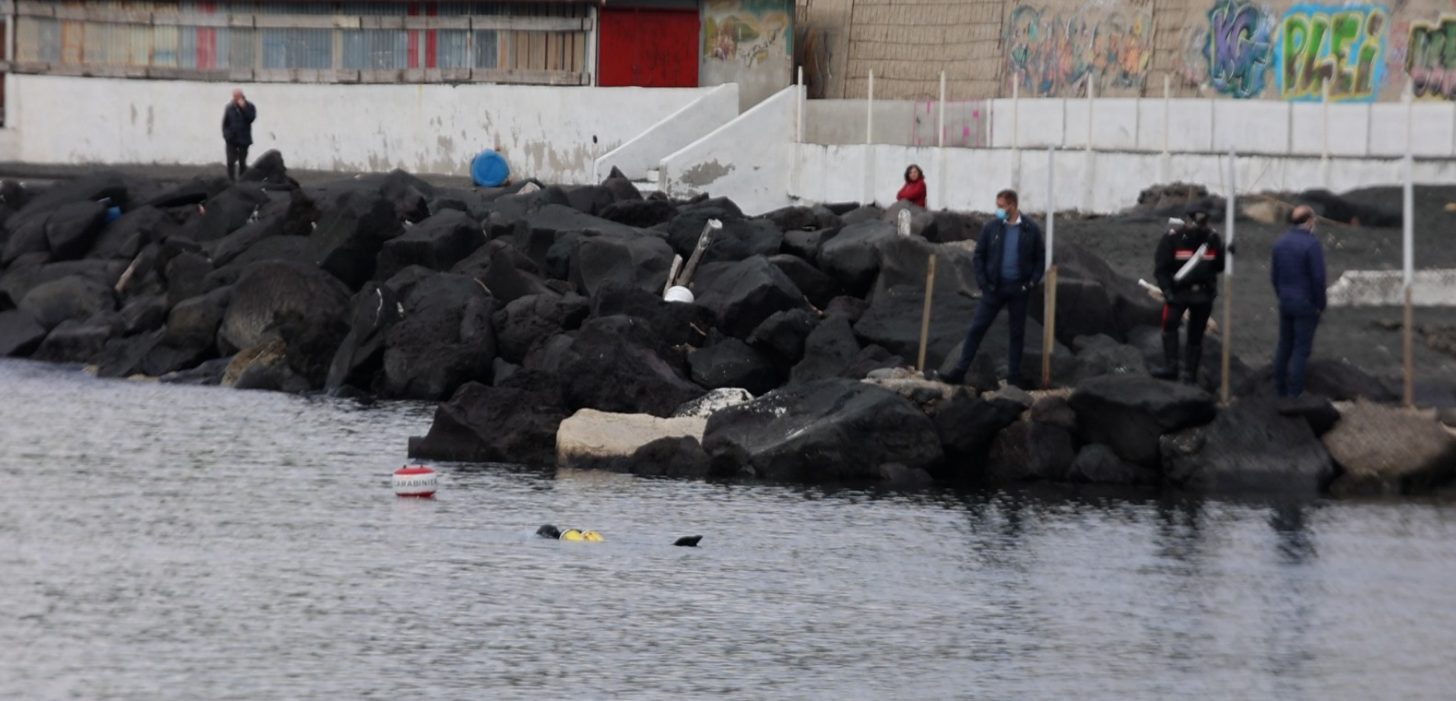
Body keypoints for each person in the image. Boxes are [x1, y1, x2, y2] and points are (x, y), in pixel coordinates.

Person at [932, 189, 1045, 388]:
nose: (997, 210)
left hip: (1019, 289)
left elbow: (1040, 259)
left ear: (1012, 205)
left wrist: (1031, 283)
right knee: (977, 328)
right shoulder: (991, 228)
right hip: (994, 288)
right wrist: (984, 283)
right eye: (997, 206)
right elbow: (978, 256)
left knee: (1017, 333)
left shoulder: (1030, 229)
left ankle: (1014, 377)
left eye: (1001, 206)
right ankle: (960, 370)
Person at [1151, 204, 1226, 383]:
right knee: (1170, 324)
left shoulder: (1213, 240)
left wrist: (1226, 253)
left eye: (1204, 221)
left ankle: (1190, 372)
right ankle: (1171, 366)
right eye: (1196, 220)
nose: (1200, 225)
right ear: (1187, 220)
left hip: (1203, 294)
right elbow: (1161, 269)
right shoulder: (1172, 239)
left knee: (1197, 333)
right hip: (1179, 293)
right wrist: (1166, 290)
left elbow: (1218, 266)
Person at [1270, 205, 1326, 397]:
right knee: (1301, 350)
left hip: (1286, 300)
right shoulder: (1312, 245)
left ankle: (1279, 389)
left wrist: (1282, 295)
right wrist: (1320, 304)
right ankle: (1295, 393)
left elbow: (1274, 276)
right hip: (1305, 302)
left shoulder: (1280, 243)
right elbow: (1318, 278)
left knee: (1284, 345)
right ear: (1309, 221)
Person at [222, 89, 257, 181]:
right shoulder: (229, 107)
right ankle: (231, 181)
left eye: (237, 96)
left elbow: (251, 118)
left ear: (242, 96)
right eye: (234, 96)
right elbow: (225, 123)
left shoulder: (249, 106)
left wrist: (244, 108)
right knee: (230, 162)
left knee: (242, 162)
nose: (235, 99)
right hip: (231, 139)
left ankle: (242, 180)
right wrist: (226, 135)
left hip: (243, 139)